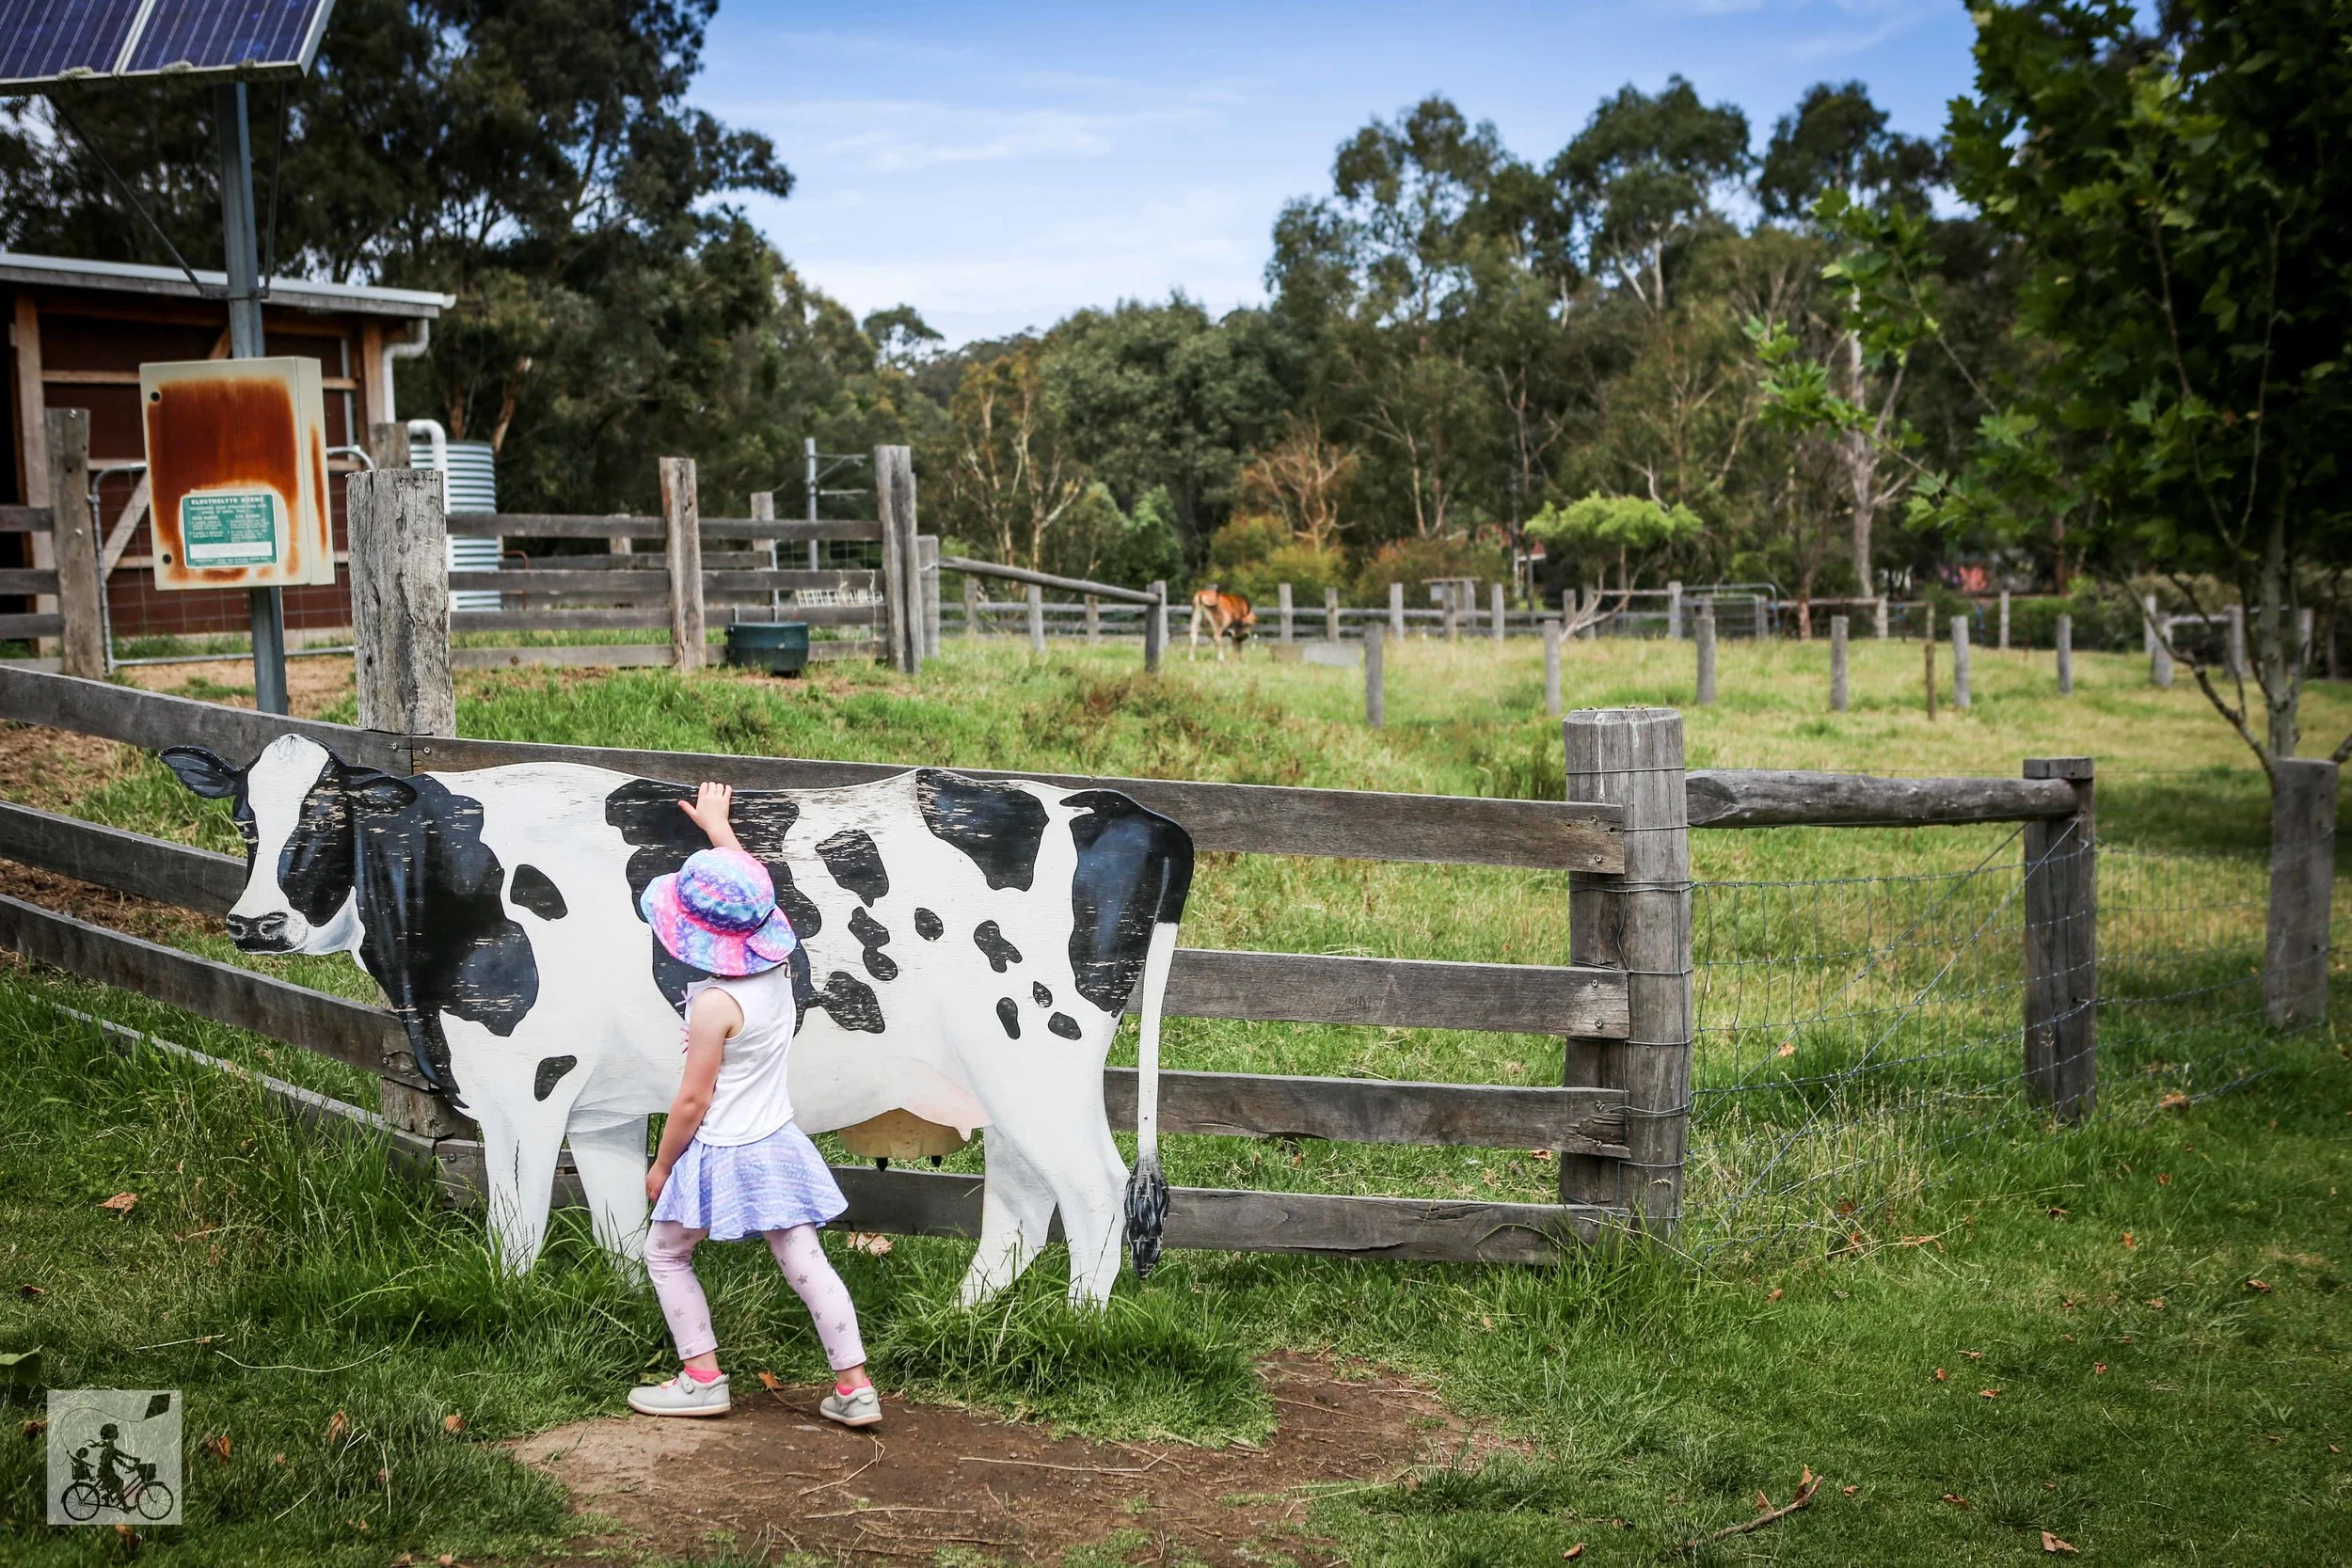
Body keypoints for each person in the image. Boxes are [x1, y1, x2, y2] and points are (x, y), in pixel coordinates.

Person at [628, 783, 880, 1426]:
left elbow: (693, 1099)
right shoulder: (780, 968)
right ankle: (854, 1386)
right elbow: (751, 896)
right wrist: (720, 831)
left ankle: (701, 1378)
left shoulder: (714, 1006)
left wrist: (662, 1165)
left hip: (721, 1150)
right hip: (776, 1141)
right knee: (806, 1263)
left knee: (666, 1253)